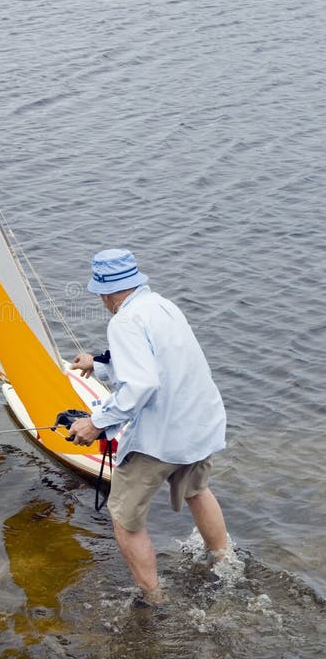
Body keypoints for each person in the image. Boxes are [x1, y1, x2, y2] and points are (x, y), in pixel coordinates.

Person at [69, 248, 229, 607]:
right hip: (199, 426)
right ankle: (225, 562)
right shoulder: (164, 306)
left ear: (106, 293)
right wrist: (98, 364)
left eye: (100, 295)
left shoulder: (123, 321)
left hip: (161, 438)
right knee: (198, 491)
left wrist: (95, 423)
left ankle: (154, 599)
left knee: (124, 518)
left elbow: (141, 386)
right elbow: (156, 366)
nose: (101, 302)